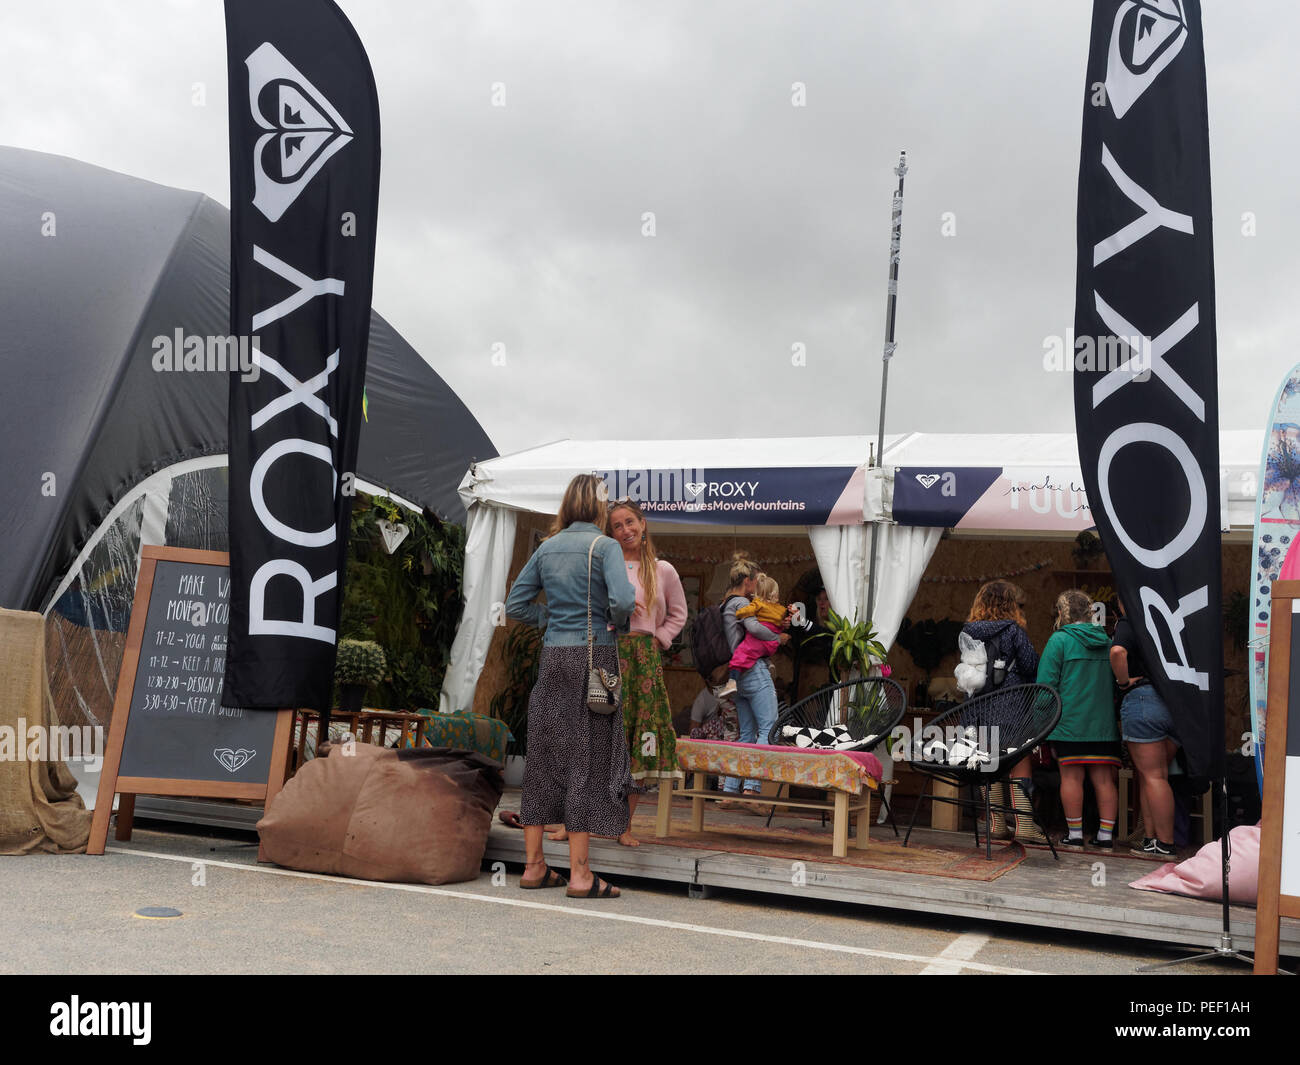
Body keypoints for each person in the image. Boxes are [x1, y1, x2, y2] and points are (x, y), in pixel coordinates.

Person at [504, 474, 636, 898]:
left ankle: (534, 867)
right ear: (599, 508)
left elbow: (516, 604)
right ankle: (580, 875)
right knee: (588, 755)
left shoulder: (547, 547)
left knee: (544, 754)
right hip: (596, 657)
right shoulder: (605, 546)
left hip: (553, 658)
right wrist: (616, 623)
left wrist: (549, 619)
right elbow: (623, 601)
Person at [606, 497, 687, 845]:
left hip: (645, 661)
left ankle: (624, 826)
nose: (625, 530)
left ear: (643, 524)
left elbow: (679, 614)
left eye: (630, 522)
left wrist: (659, 638)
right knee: (597, 734)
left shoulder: (662, 569)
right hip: (610, 654)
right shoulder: (605, 567)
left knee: (642, 741)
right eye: (617, 525)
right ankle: (575, 823)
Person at [1037, 590, 1120, 849]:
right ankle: (1105, 836)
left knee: (1071, 779)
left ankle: (1074, 835)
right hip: (1103, 726)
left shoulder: (1059, 640)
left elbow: (1046, 688)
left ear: (1061, 613)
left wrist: (1040, 720)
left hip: (1069, 725)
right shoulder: (1107, 641)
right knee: (1104, 780)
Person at [961, 580, 1042, 843]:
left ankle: (996, 824)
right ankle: (1024, 826)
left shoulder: (969, 631)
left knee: (989, 762)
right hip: (1011, 704)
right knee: (1018, 762)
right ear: (1010, 604)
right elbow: (1029, 665)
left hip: (980, 706)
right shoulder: (1013, 630)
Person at [717, 556, 788, 809]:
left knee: (746, 733)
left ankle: (730, 790)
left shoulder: (726, 603)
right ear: (747, 581)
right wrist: (778, 637)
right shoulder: (742, 603)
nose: (758, 586)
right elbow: (755, 629)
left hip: (738, 673)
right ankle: (751, 790)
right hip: (755, 670)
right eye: (756, 580)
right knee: (768, 729)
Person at [1110, 596, 1179, 858]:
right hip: (1175, 703)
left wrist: (1123, 682)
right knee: (1151, 776)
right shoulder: (1167, 623)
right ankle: (1150, 839)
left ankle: (1165, 843)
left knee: (1154, 777)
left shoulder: (1131, 621)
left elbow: (1117, 652)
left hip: (1143, 701)